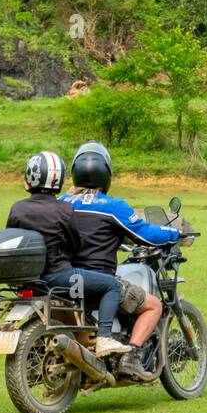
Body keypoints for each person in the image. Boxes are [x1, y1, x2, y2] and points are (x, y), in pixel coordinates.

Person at [62, 141, 179, 382]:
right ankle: (131, 357)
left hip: (63, 281)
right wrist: (175, 234)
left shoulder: (61, 202)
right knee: (154, 305)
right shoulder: (114, 207)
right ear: (106, 174)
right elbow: (146, 234)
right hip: (98, 283)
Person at [7, 151, 131, 360]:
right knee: (111, 285)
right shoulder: (64, 209)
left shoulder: (17, 208)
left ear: (28, 179)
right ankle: (104, 338)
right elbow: (77, 245)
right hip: (60, 276)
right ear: (59, 180)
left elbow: (13, 237)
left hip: (30, 278)